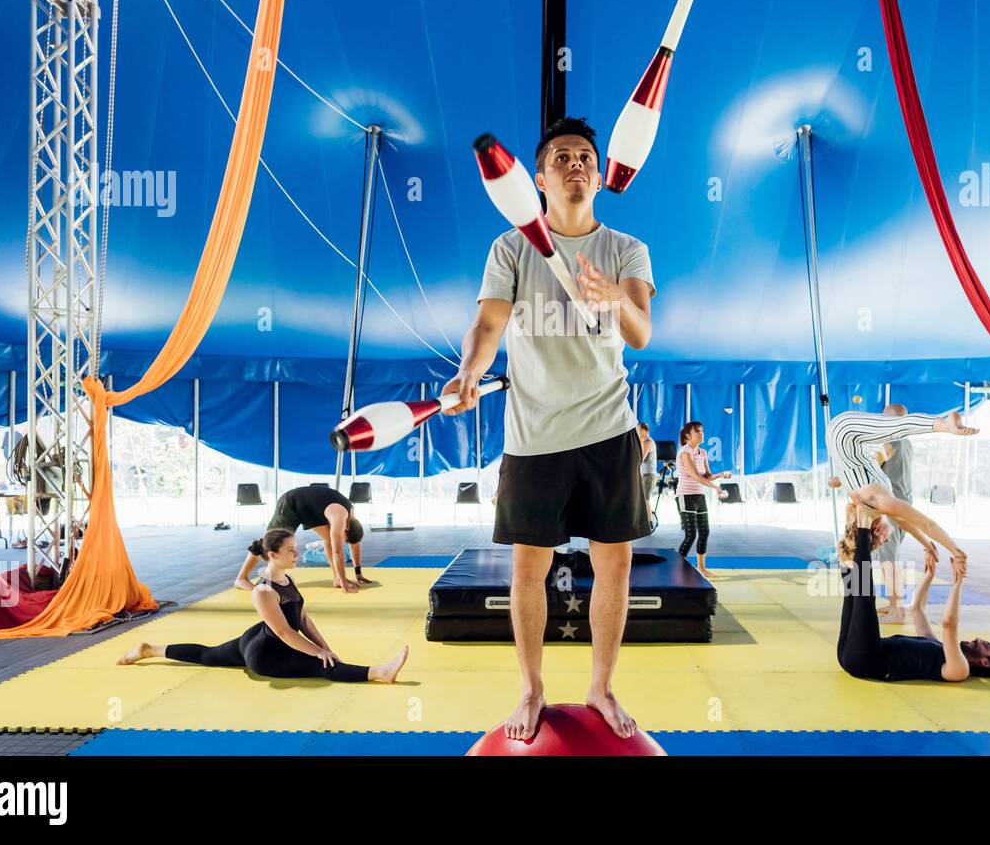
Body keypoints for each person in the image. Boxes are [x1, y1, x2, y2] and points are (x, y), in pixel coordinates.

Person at [442, 116, 656, 741]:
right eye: (559, 157)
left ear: (599, 172)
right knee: (527, 570)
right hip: (533, 435)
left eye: (584, 156)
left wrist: (613, 296)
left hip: (608, 428)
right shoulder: (510, 248)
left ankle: (601, 687)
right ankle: (532, 690)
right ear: (536, 178)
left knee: (614, 566)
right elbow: (487, 328)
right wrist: (466, 373)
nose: (575, 164)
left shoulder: (626, 250)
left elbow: (640, 332)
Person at [119, 528, 408, 683]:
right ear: (272, 554)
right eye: (291, 551)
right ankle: (379, 672)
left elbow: (302, 618)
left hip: (260, 636)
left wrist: (325, 645)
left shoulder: (286, 577)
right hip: (267, 653)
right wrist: (319, 653)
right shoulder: (263, 590)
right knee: (323, 666)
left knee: (209, 655)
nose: (297, 554)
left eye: (296, 549)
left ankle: (150, 649)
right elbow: (285, 633)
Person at [836, 501, 990, 682]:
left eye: (986, 645)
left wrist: (959, 580)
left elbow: (949, 624)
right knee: (853, 589)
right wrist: (929, 574)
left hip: (868, 661)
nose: (980, 639)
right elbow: (917, 608)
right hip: (850, 654)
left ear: (985, 662)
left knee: (863, 596)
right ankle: (856, 529)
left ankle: (864, 523)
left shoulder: (959, 669)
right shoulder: (936, 645)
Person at [826, 409, 975, 572]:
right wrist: (927, 545)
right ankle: (941, 424)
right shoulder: (868, 508)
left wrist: (956, 551)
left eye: (884, 541)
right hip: (847, 440)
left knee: (895, 429)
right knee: (886, 440)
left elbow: (927, 524)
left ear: (877, 530)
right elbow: (907, 523)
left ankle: (944, 424)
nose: (887, 540)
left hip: (844, 433)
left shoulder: (880, 503)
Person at [235, 484, 370, 594]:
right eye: (344, 538)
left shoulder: (352, 518)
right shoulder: (339, 517)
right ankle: (242, 578)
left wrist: (358, 572)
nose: (343, 541)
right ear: (345, 528)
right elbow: (337, 552)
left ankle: (336, 578)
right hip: (291, 503)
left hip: (311, 509)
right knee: (268, 543)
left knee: (330, 539)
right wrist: (345, 582)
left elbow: (355, 542)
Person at [874, 403, 915, 623]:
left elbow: (872, 472)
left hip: (892, 507)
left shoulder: (889, 442)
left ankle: (897, 610)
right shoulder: (906, 442)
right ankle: (894, 605)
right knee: (891, 558)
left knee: (888, 560)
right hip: (903, 505)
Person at [674, 420, 731, 578]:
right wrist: (716, 488)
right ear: (688, 435)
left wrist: (720, 475)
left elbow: (707, 476)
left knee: (704, 532)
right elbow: (696, 476)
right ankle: (679, 568)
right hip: (685, 496)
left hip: (699, 497)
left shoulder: (703, 453)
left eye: (702, 431)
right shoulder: (685, 453)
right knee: (691, 535)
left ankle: (702, 568)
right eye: (697, 431)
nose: (701, 434)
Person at [637, 422, 657, 523]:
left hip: (648, 475)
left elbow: (640, 458)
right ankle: (647, 521)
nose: (637, 432)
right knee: (644, 500)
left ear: (644, 431)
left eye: (638, 430)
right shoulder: (644, 442)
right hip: (645, 475)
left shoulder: (647, 442)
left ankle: (649, 522)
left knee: (646, 499)